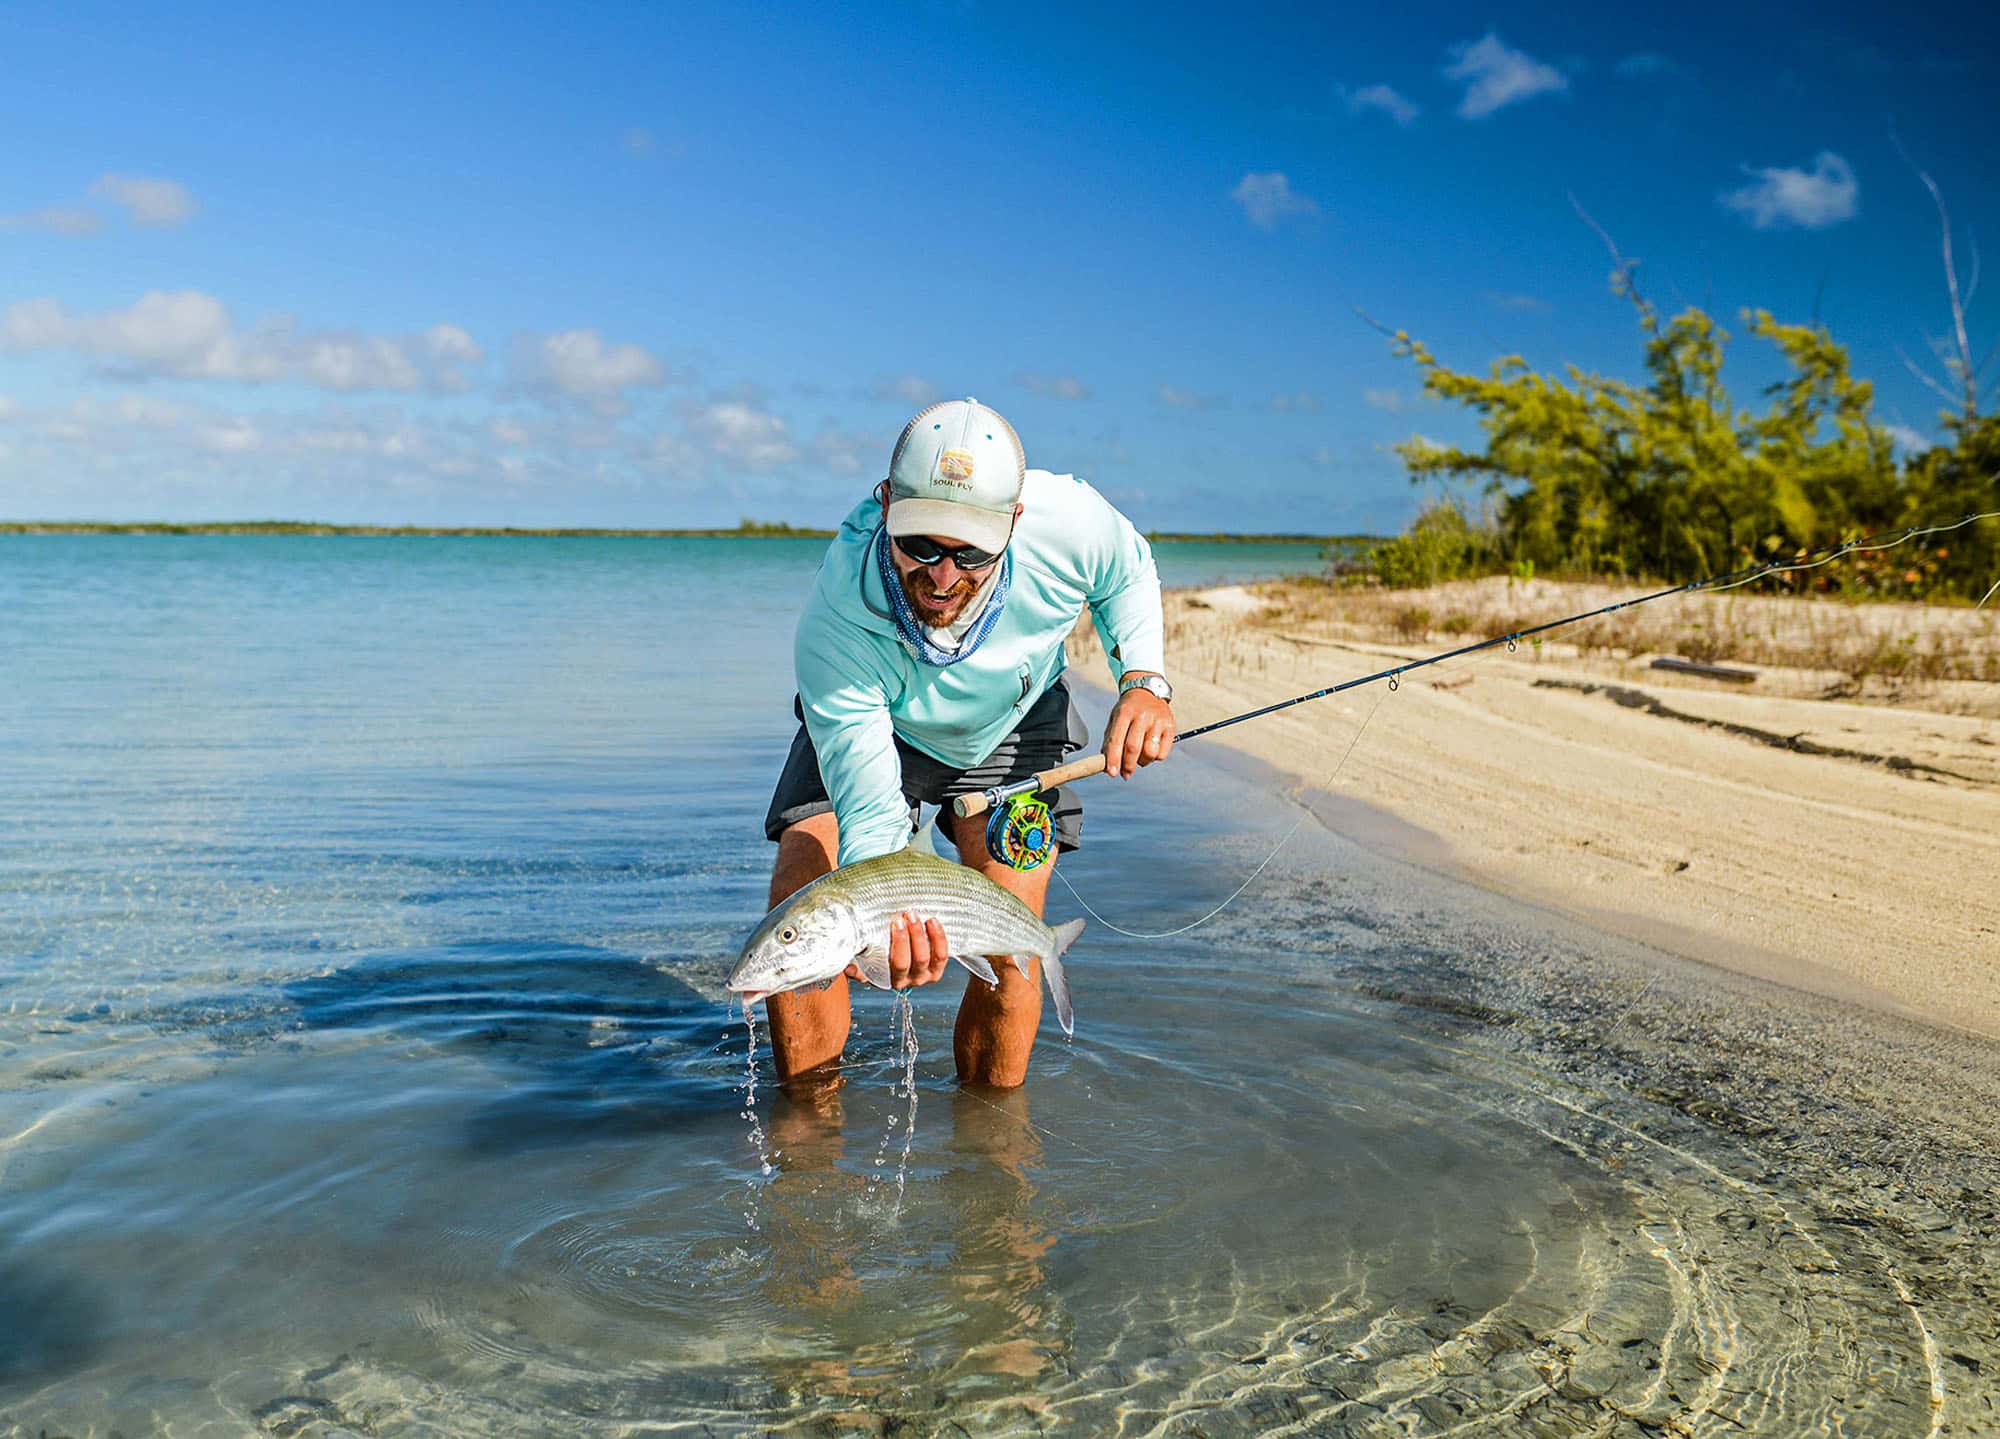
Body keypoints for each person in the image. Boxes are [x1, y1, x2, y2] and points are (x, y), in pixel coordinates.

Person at [762, 397, 1175, 1088]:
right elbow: (873, 830)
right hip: (876, 724)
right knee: (806, 900)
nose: (943, 575)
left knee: (1013, 950)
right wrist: (887, 926)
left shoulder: (1069, 521)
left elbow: (1127, 571)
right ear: (886, 503)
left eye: (972, 551)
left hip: (1016, 725)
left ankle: (993, 1150)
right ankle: (807, 1136)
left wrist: (1142, 681)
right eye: (919, 543)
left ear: (1015, 521)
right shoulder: (836, 621)